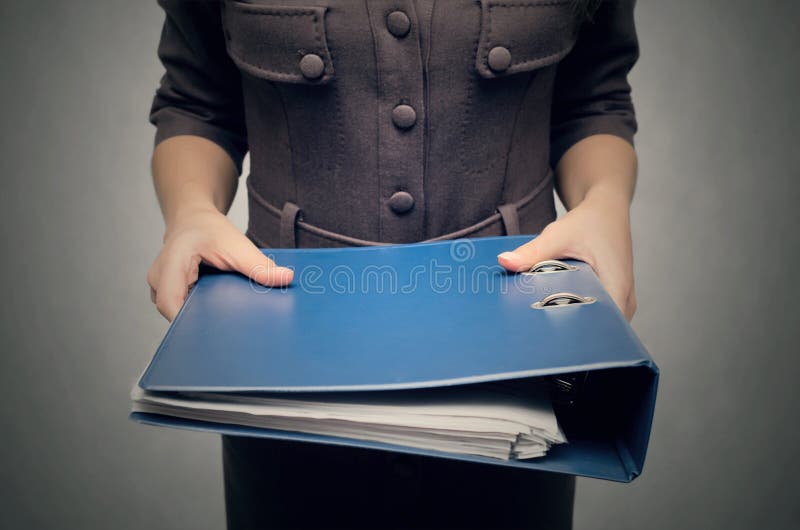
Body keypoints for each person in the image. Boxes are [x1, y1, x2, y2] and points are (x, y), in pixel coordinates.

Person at [146, 0, 639, 528]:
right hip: (286, 375)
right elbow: (199, 103)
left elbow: (592, 99)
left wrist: (605, 204)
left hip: (516, 370)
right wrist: (191, 210)